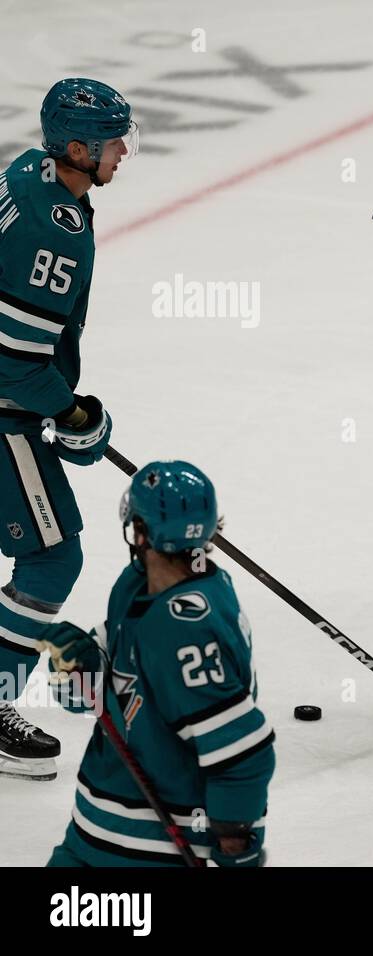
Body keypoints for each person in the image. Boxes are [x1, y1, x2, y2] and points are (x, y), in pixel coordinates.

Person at [40, 461, 274, 865]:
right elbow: (111, 691)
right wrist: (77, 668)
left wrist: (235, 839)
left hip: (154, 848)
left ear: (142, 532)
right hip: (93, 832)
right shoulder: (137, 586)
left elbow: (242, 750)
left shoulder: (188, 629)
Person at [0, 78, 135, 780]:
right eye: (115, 141)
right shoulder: (50, 229)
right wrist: (75, 414)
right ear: (78, 148)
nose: (123, 151)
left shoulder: (29, 170)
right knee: (53, 558)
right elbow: (14, 368)